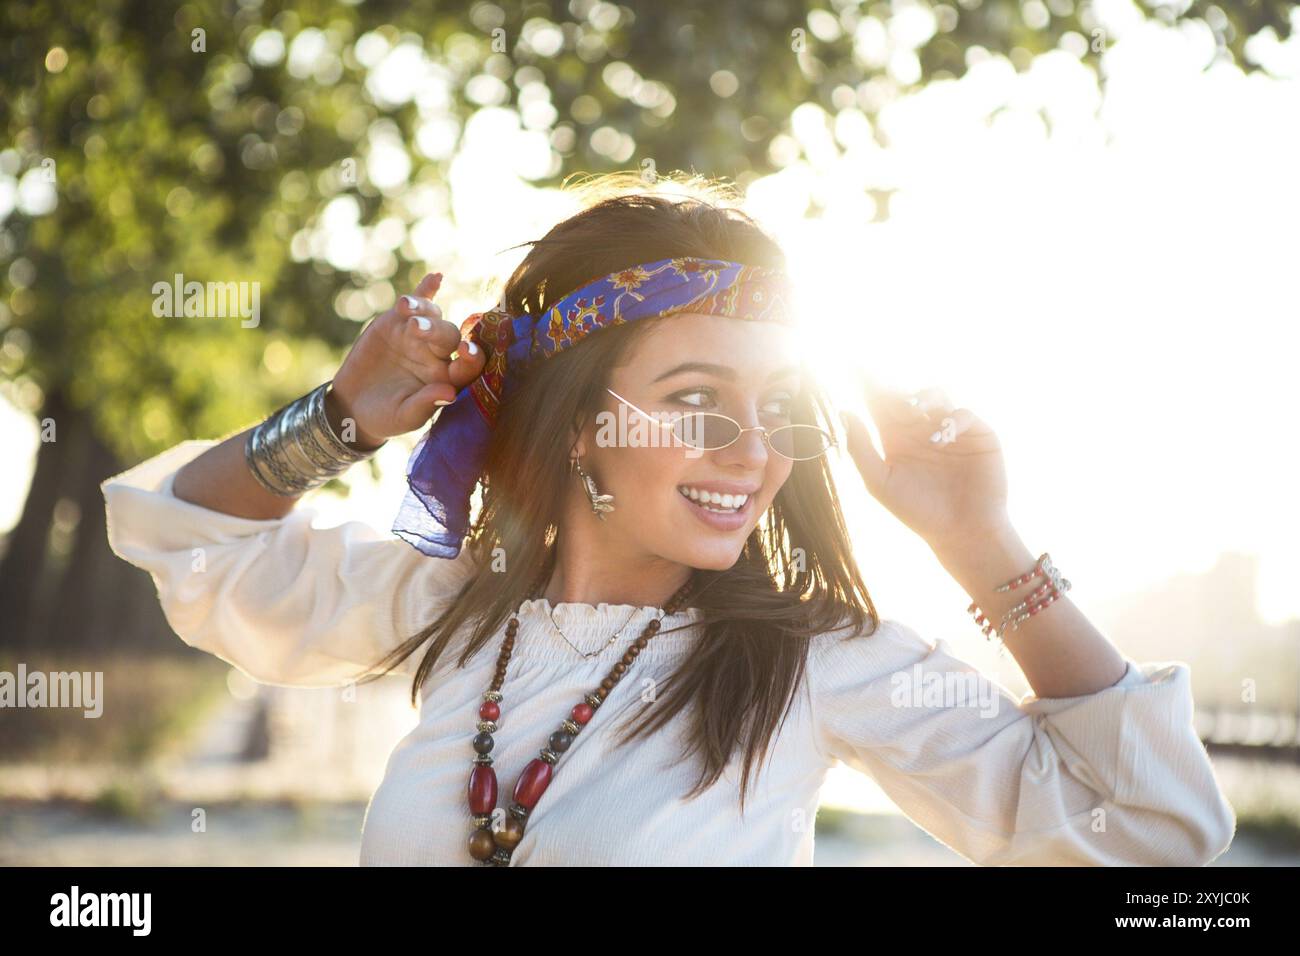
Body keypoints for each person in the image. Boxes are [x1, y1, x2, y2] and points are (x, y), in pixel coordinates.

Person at [102, 175, 1235, 866]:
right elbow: (190, 542)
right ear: (578, 423)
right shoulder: (449, 606)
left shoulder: (811, 662)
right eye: (696, 403)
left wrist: (975, 538)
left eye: (774, 410)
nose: (753, 451)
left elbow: (1153, 832)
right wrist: (339, 418)